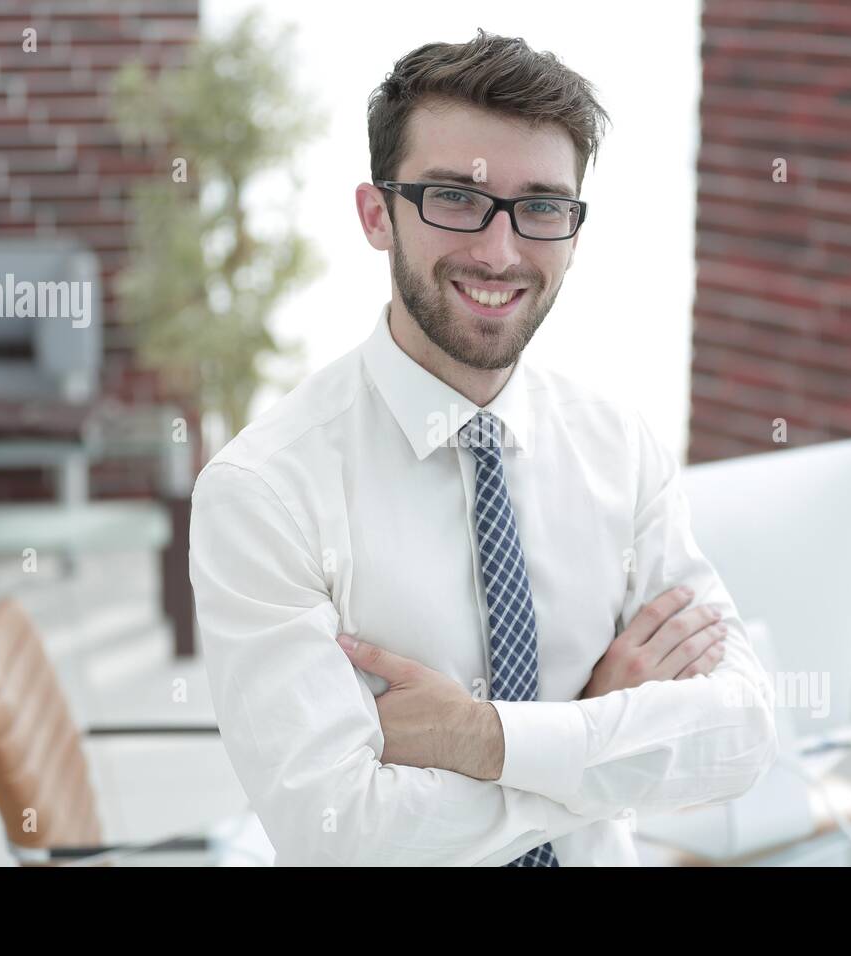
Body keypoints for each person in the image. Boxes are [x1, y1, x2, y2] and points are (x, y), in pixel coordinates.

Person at [188, 28, 778, 866]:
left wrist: (485, 737)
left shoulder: (618, 445)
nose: (499, 253)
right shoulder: (264, 491)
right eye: (456, 199)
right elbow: (341, 832)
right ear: (377, 215)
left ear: (574, 230)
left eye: (540, 207)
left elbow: (741, 736)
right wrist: (597, 736)